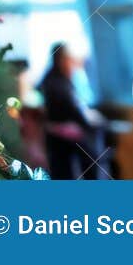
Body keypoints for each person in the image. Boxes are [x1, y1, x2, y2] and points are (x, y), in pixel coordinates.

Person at [39, 42, 106, 179]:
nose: (73, 65)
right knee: (93, 142)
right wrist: (93, 121)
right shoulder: (57, 83)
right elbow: (74, 110)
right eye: (70, 60)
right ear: (61, 60)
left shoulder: (53, 78)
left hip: (59, 135)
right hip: (62, 136)